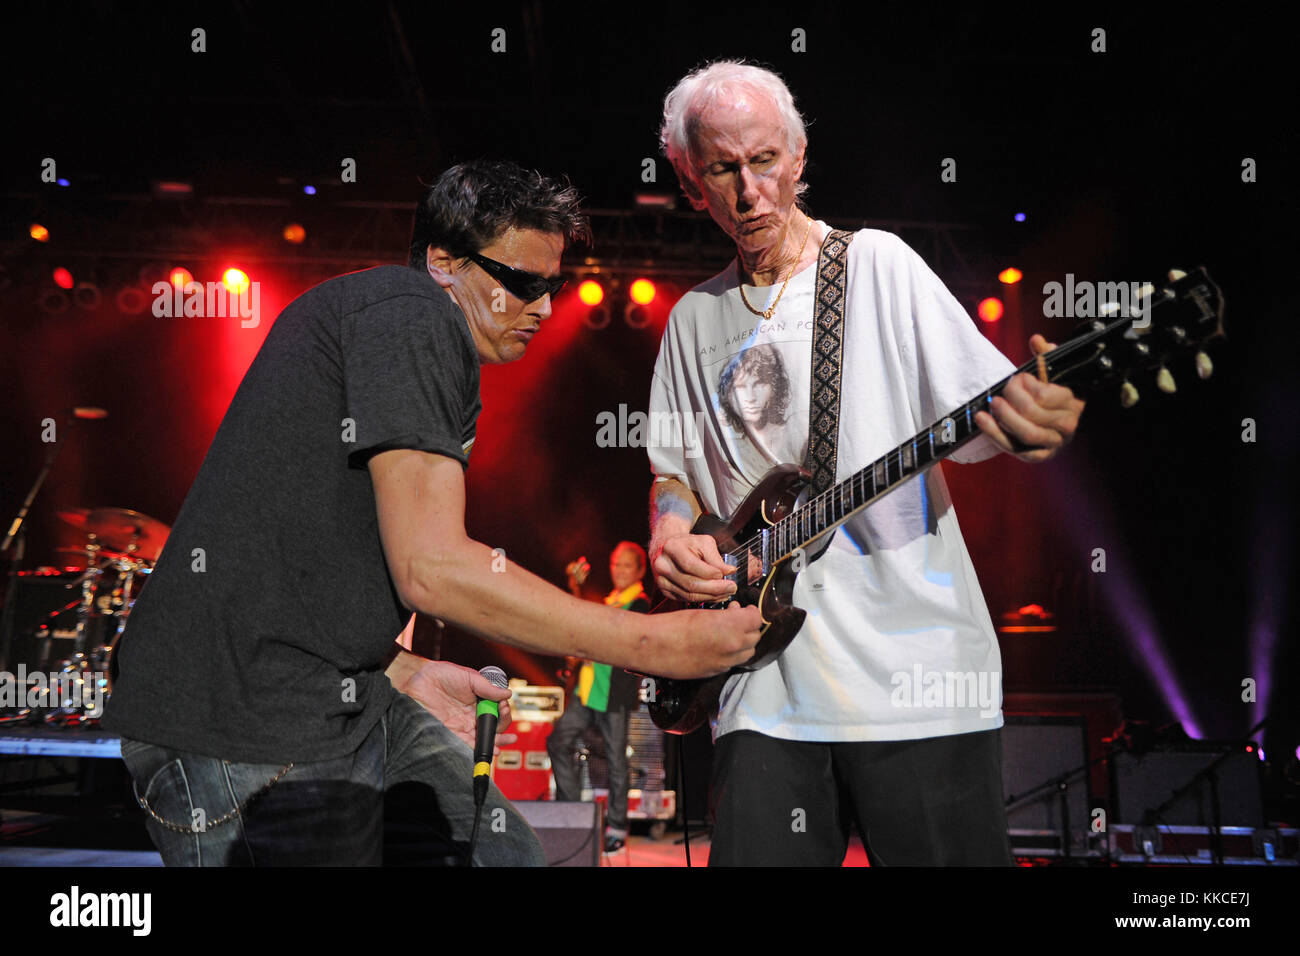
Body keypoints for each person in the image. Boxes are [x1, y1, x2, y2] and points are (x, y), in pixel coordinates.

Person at [102, 159, 762, 866]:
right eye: (521, 282)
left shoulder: (397, 331)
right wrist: (652, 646)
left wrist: (402, 671)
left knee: (512, 857)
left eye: (555, 286)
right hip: (238, 723)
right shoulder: (412, 312)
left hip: (350, 698)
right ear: (443, 263)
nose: (543, 306)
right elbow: (433, 568)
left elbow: (302, 563)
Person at [646, 62, 1086, 866]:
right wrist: (668, 531)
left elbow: (990, 414)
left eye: (766, 161)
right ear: (687, 178)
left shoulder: (878, 265)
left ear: (801, 156)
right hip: (759, 684)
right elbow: (672, 473)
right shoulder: (690, 318)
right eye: (722, 170)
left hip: (915, 682)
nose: (750, 192)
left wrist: (1032, 422)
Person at [547, 541, 650, 853]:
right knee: (558, 741)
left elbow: (610, 633)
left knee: (617, 760)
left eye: (626, 565)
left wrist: (579, 595)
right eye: (615, 564)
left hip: (614, 695)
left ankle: (617, 826)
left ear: (639, 570)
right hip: (587, 691)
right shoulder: (610, 600)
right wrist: (574, 588)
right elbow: (585, 625)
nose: (619, 570)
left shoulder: (641, 604)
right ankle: (571, 812)